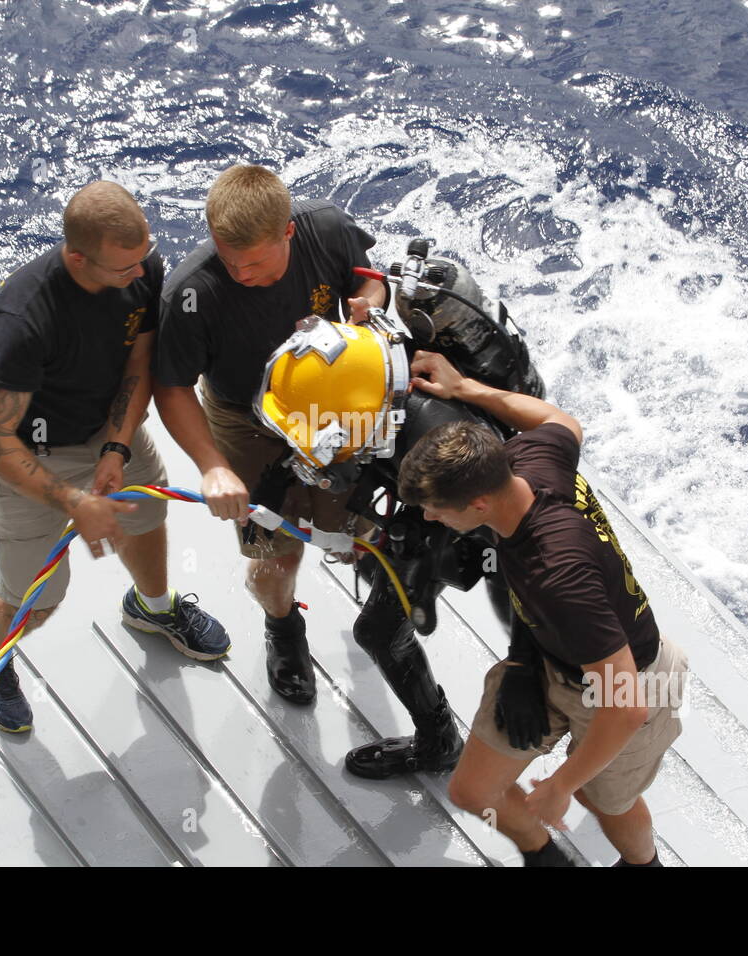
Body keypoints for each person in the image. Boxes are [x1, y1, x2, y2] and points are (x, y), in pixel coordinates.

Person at [153, 165, 462, 777]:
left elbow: (373, 283)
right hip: (249, 424)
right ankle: (282, 627)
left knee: (362, 527)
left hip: (340, 408)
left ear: (289, 232)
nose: (240, 275)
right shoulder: (192, 293)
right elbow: (171, 386)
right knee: (274, 557)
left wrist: (365, 310)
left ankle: (387, 589)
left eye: (255, 264)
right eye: (229, 261)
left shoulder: (328, 229)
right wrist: (213, 466)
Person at [397, 350, 689, 867]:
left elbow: (626, 707)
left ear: (479, 505)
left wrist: (560, 784)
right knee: (472, 792)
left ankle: (645, 865)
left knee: (605, 801)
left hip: (628, 681)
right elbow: (562, 421)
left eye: (436, 509)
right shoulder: (529, 463)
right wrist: (464, 388)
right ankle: (545, 857)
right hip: (555, 655)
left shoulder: (558, 577)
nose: (429, 517)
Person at [0, 180, 228, 734]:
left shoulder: (140, 266)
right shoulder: (24, 319)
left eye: (143, 262)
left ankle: (153, 608)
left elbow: (140, 359)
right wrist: (72, 501)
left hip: (109, 428)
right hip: (31, 450)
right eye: (123, 269)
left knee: (149, 519)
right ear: (77, 257)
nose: (141, 276)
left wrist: (117, 445)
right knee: (34, 598)